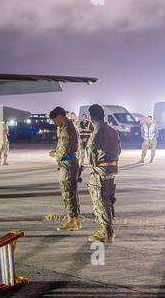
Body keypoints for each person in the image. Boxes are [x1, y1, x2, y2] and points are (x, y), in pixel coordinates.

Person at [82, 104, 120, 242]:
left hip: (100, 171)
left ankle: (106, 233)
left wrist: (93, 165)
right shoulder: (112, 130)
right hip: (112, 169)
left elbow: (91, 152)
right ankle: (109, 230)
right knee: (108, 200)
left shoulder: (98, 131)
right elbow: (119, 150)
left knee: (100, 201)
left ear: (92, 118)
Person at [48, 105, 81, 230]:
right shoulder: (68, 127)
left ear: (60, 116)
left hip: (68, 165)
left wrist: (54, 153)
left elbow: (64, 150)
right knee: (71, 192)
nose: (55, 123)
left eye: (55, 120)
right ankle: (74, 220)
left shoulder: (67, 129)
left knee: (68, 193)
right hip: (70, 163)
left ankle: (72, 221)